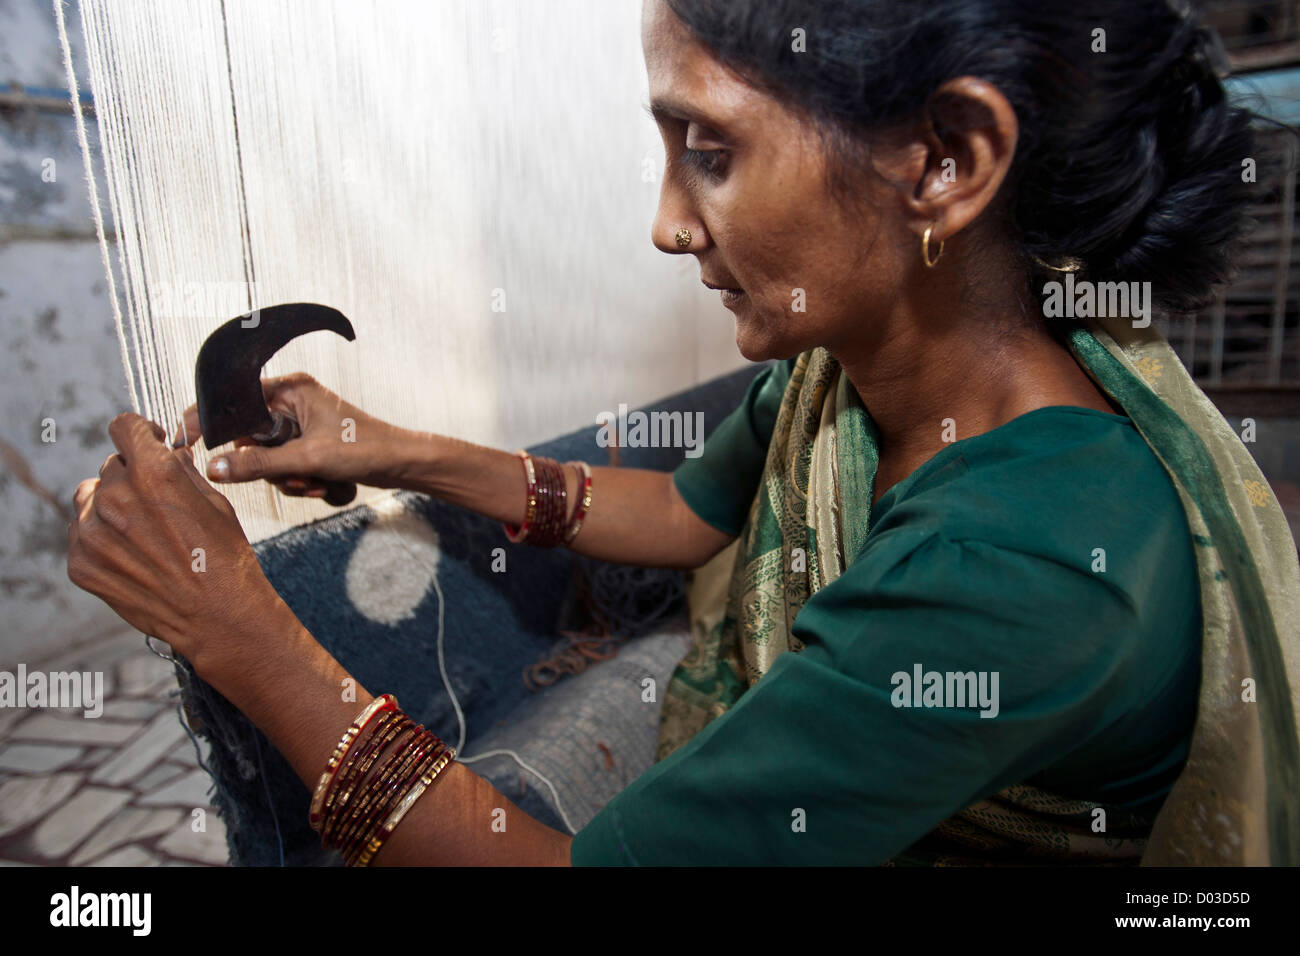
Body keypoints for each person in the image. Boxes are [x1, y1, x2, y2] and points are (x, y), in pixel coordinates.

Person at [67, 0, 1300, 866]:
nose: (667, 224)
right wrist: (376, 444)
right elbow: (676, 513)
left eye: (708, 150)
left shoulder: (1025, 566)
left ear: (944, 158)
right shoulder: (861, 368)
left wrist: (235, 625)